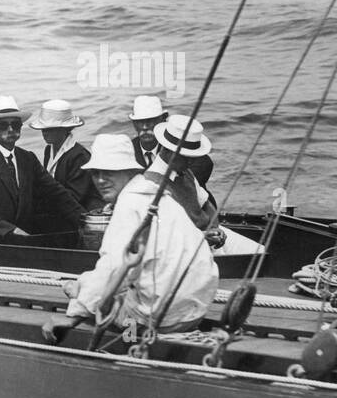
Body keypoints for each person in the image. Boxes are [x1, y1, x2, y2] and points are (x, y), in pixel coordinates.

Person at [45, 122, 220, 342]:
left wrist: (73, 316)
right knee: (96, 285)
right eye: (95, 173)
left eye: (109, 173)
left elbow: (113, 267)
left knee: (89, 294)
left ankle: (133, 342)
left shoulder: (129, 204)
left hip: (160, 318)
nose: (100, 180)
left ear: (129, 171)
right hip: (195, 309)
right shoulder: (158, 195)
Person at [0, 96, 84, 241]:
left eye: (15, 124)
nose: (11, 129)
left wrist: (86, 220)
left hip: (26, 242)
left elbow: (57, 194)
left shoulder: (28, 159)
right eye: (3, 125)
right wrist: (12, 231)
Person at [28, 99, 102, 211]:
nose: (44, 132)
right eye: (43, 128)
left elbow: (75, 198)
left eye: (50, 129)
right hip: (58, 208)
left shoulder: (80, 156)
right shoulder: (49, 150)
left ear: (65, 129)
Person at [128, 94, 215, 189]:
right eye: (140, 122)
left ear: (163, 119)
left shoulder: (176, 144)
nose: (144, 127)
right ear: (134, 124)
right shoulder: (127, 151)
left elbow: (205, 164)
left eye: (150, 121)